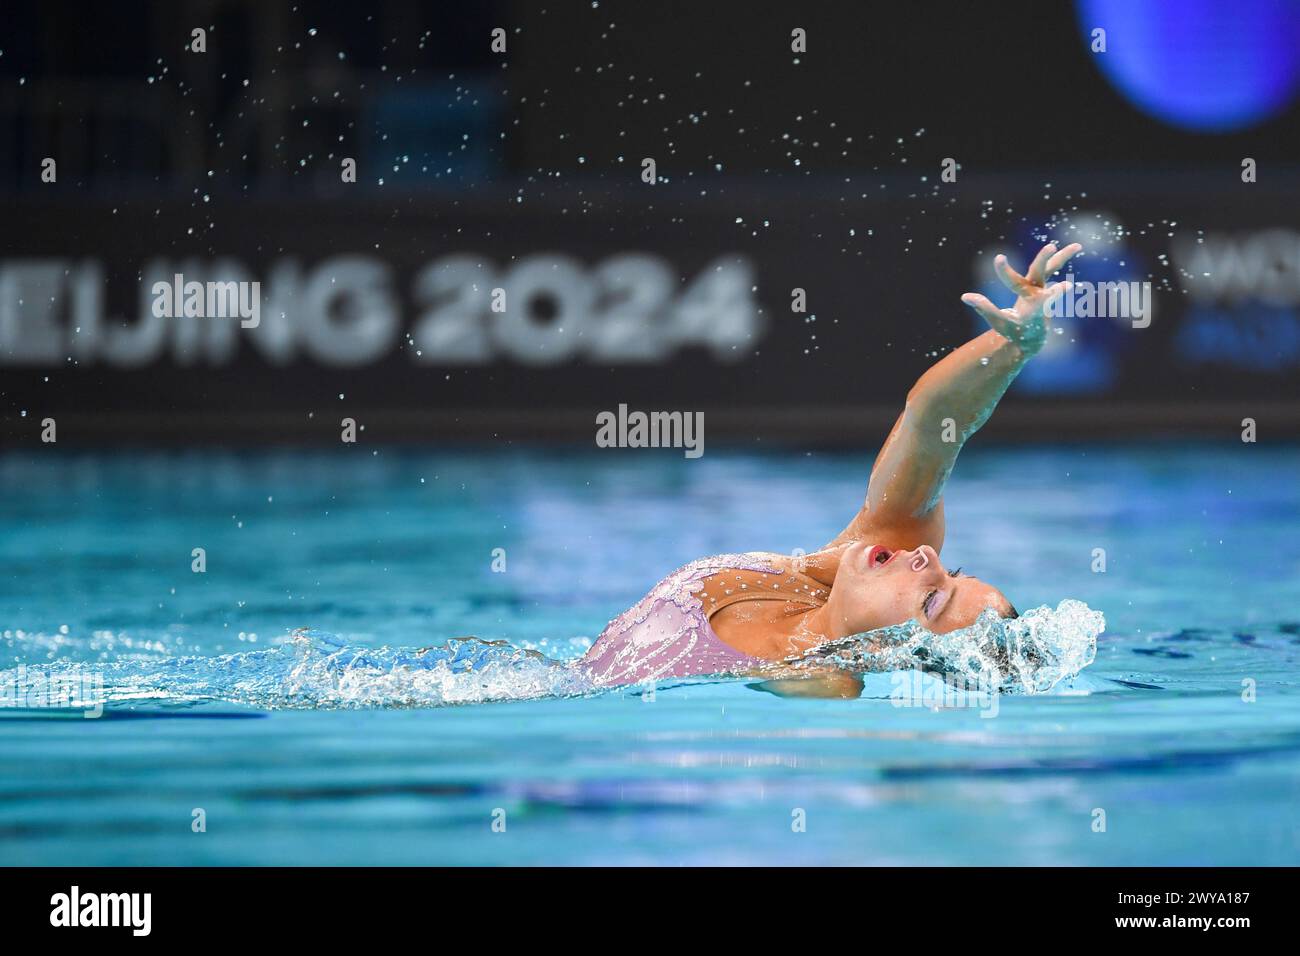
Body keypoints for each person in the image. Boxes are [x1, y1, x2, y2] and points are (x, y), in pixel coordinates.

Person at [579, 242, 1083, 695]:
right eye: (951, 571)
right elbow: (932, 421)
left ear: (888, 653)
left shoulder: (819, 683)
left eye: (932, 600)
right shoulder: (868, 555)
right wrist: (1015, 347)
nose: (927, 556)